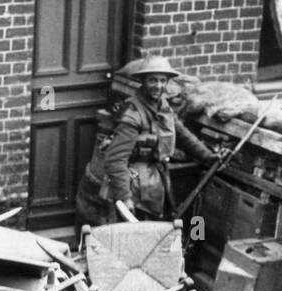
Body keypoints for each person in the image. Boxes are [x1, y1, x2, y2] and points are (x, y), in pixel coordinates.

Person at [74, 55, 219, 227]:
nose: (158, 86)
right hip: (133, 188)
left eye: (162, 81)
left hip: (154, 182)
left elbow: (182, 134)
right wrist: (125, 198)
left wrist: (208, 156)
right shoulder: (132, 114)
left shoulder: (163, 107)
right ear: (143, 81)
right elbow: (115, 160)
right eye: (153, 80)